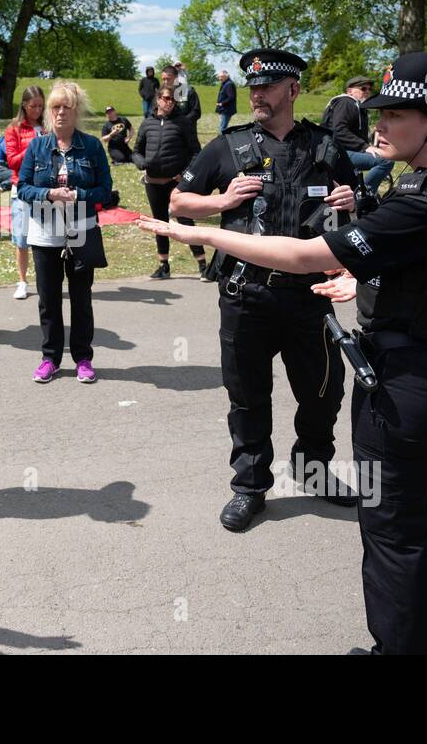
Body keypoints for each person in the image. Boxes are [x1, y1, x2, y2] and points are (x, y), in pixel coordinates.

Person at [143, 51, 427, 655]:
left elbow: (320, 249)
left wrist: (203, 236)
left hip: (396, 371)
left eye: (392, 113)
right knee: (416, 517)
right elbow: (424, 262)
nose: (376, 124)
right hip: (300, 315)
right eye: (377, 110)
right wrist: (365, 280)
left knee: (392, 530)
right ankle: (253, 486)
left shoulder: (414, 193)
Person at [168, 48, 360, 532]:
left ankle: (312, 468)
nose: (257, 94)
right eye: (252, 86)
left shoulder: (326, 146)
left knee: (323, 392)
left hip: (310, 297)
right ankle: (250, 487)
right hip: (245, 295)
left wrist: (354, 201)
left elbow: (360, 209)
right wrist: (221, 200)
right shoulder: (227, 147)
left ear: (292, 91)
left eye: (268, 86)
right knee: (247, 395)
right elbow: (177, 203)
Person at [17, 81, 112, 384]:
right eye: (55, 107)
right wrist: (48, 194)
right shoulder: (37, 146)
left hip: (81, 231)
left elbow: (105, 191)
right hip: (44, 233)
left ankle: (83, 358)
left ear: (76, 111)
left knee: (81, 298)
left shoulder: (93, 146)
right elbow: (23, 188)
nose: (60, 113)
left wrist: (78, 194)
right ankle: (50, 358)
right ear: (48, 112)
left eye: (66, 108)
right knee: (48, 299)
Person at [133, 85, 207, 280]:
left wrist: (184, 174)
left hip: (175, 183)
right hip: (152, 182)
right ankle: (163, 265)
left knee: (185, 220)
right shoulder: (147, 123)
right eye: (166, 98)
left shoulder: (183, 123)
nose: (169, 102)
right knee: (160, 223)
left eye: (172, 100)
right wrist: (142, 164)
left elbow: (196, 153)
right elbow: (136, 151)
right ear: (157, 100)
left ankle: (202, 264)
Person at [4, 86, 48, 299]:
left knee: (46, 237)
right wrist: (33, 146)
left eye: (40, 106)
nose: (37, 110)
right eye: (33, 106)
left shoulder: (48, 125)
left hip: (45, 188)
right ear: (24, 105)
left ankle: (45, 280)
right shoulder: (14, 128)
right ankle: (22, 281)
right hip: (22, 188)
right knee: (22, 238)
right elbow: (11, 160)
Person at [320, 76, 395, 190]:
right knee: (385, 161)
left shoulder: (357, 106)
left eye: (369, 89)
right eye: (363, 89)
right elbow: (339, 131)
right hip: (337, 152)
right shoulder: (346, 102)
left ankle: (360, 192)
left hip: (343, 151)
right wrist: (365, 147)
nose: (367, 92)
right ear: (350, 91)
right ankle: (363, 194)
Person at [215, 69, 238, 133]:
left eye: (221, 77)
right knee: (222, 126)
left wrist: (221, 103)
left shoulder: (229, 84)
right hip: (224, 109)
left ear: (226, 76)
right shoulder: (225, 84)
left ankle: (221, 140)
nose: (219, 78)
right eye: (219, 77)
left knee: (222, 128)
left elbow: (231, 97)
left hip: (227, 110)